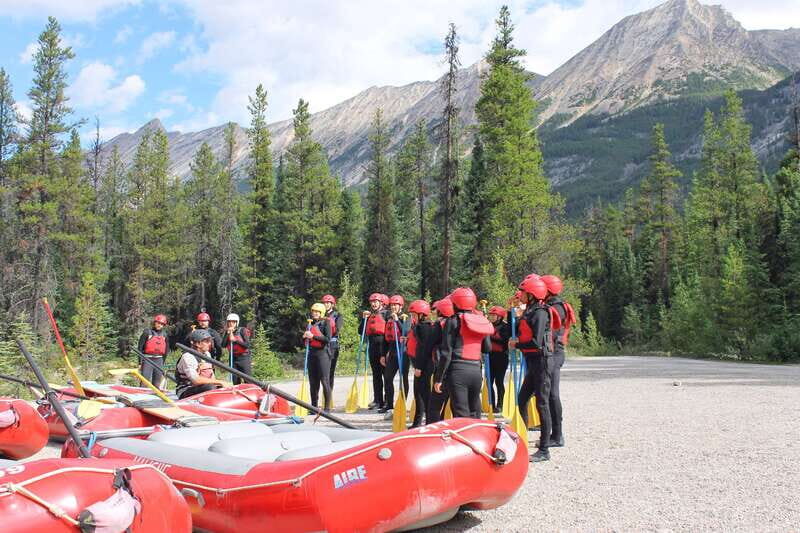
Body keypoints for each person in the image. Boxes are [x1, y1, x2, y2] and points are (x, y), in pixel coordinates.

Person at [510, 275, 558, 463]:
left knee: (542, 403)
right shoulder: (531, 310)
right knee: (521, 399)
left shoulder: (540, 312)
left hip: (542, 362)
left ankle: (544, 449)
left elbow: (537, 342)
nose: (520, 295)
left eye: (523, 292)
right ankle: (522, 437)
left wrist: (517, 344)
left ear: (531, 294)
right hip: (534, 362)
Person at [433, 288, 492, 419]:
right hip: (476, 372)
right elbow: (487, 348)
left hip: (457, 372)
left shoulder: (453, 321)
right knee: (473, 414)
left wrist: (439, 378)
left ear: (455, 304)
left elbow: (446, 353)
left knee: (461, 414)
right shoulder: (481, 319)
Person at [541, 274, 576, 448]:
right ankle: (551, 432)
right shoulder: (550, 306)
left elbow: (552, 332)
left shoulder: (557, 308)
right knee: (546, 394)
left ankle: (558, 435)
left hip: (555, 354)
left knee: (552, 394)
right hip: (552, 353)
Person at [408, 299, 437, 428]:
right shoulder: (422, 325)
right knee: (418, 393)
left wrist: (419, 367)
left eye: (414, 314)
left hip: (424, 364)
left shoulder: (423, 327)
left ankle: (429, 422)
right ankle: (418, 422)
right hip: (422, 363)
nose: (412, 317)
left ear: (422, 314)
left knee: (423, 394)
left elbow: (423, 349)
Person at [175, 329, 228, 399]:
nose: (210, 343)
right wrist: (220, 382)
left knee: (221, 387)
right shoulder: (188, 357)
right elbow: (196, 380)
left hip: (203, 386)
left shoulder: (207, 354)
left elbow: (211, 374)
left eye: (210, 341)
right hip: (186, 390)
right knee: (210, 387)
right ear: (197, 343)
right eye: (206, 341)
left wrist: (219, 385)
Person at [381, 295, 410, 414]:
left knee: (403, 379)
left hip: (404, 351)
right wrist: (383, 355)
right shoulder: (388, 319)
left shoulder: (405, 318)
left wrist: (397, 320)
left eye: (395, 305)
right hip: (392, 350)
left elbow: (406, 331)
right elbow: (385, 339)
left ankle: (402, 403)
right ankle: (389, 405)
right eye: (392, 305)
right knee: (387, 378)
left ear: (401, 306)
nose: (393, 307)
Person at [359, 293, 389, 410]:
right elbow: (361, 331)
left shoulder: (386, 314)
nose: (374, 304)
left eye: (376, 301)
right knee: (376, 375)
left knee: (385, 375)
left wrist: (385, 352)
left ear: (381, 302)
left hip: (383, 344)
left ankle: (387, 400)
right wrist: (363, 319)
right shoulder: (369, 315)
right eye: (372, 302)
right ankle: (378, 400)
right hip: (372, 345)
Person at [426, 297, 453, 423]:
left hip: (443, 367)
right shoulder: (461, 322)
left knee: (434, 406)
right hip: (462, 369)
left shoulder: (439, 325)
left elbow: (429, 344)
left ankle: (432, 428)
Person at [303, 303, 333, 410]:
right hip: (312, 354)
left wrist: (313, 336)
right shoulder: (309, 324)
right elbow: (306, 341)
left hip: (323, 354)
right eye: (313, 311)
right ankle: (314, 407)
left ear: (321, 313)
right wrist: (304, 337)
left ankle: (327, 408)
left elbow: (327, 339)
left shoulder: (326, 323)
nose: (314, 313)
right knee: (313, 382)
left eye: (317, 312)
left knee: (324, 380)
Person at [487, 305, 511, 413]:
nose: (491, 317)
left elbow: (504, 341)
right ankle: (491, 404)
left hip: (501, 357)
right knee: (489, 382)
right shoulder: (487, 325)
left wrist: (490, 336)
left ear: (500, 317)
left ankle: (500, 405)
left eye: (493, 315)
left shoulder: (505, 327)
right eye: (490, 315)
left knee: (499, 382)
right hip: (490, 357)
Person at [137, 314, 170, 389]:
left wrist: (163, 362)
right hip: (147, 360)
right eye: (158, 323)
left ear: (163, 325)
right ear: (155, 322)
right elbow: (140, 347)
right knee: (144, 382)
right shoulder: (147, 333)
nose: (159, 325)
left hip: (159, 360)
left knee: (157, 384)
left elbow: (166, 350)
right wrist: (139, 362)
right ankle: (141, 397)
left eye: (161, 324)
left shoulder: (165, 335)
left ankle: (155, 398)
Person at [222, 313, 251, 385]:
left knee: (247, 380)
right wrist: (228, 334)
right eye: (229, 322)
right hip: (233, 358)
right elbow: (223, 345)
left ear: (236, 322)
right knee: (235, 381)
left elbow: (247, 345)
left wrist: (235, 340)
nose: (231, 323)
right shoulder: (228, 332)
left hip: (243, 358)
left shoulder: (242, 330)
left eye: (233, 322)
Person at [322, 294, 343, 390]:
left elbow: (337, 329)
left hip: (332, 345)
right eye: (324, 303)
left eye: (328, 303)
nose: (326, 304)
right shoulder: (320, 314)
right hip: (321, 344)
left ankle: (329, 396)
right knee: (322, 372)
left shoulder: (338, 315)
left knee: (330, 371)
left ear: (332, 304)